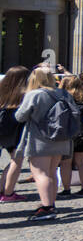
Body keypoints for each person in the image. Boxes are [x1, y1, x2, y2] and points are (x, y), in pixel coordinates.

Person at [13, 66, 78, 221]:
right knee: (51, 173)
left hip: (40, 139)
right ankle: (51, 203)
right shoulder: (62, 93)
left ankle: (46, 207)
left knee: (40, 174)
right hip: (60, 138)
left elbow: (20, 116)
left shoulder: (34, 94)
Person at [58, 73, 83, 196]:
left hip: (69, 133)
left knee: (66, 163)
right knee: (82, 162)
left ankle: (66, 189)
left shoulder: (63, 97)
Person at [0, 65, 32, 203]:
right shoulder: (25, 94)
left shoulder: (2, 92)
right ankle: (8, 193)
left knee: (14, 160)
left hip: (3, 128)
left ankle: (3, 189)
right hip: (16, 130)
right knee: (16, 160)